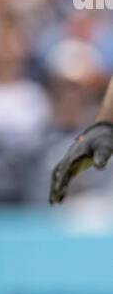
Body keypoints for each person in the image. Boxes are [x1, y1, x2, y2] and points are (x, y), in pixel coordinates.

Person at [49, 75, 113, 204]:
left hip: (92, 209)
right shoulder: (45, 142)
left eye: (75, 102)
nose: (70, 108)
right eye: (66, 102)